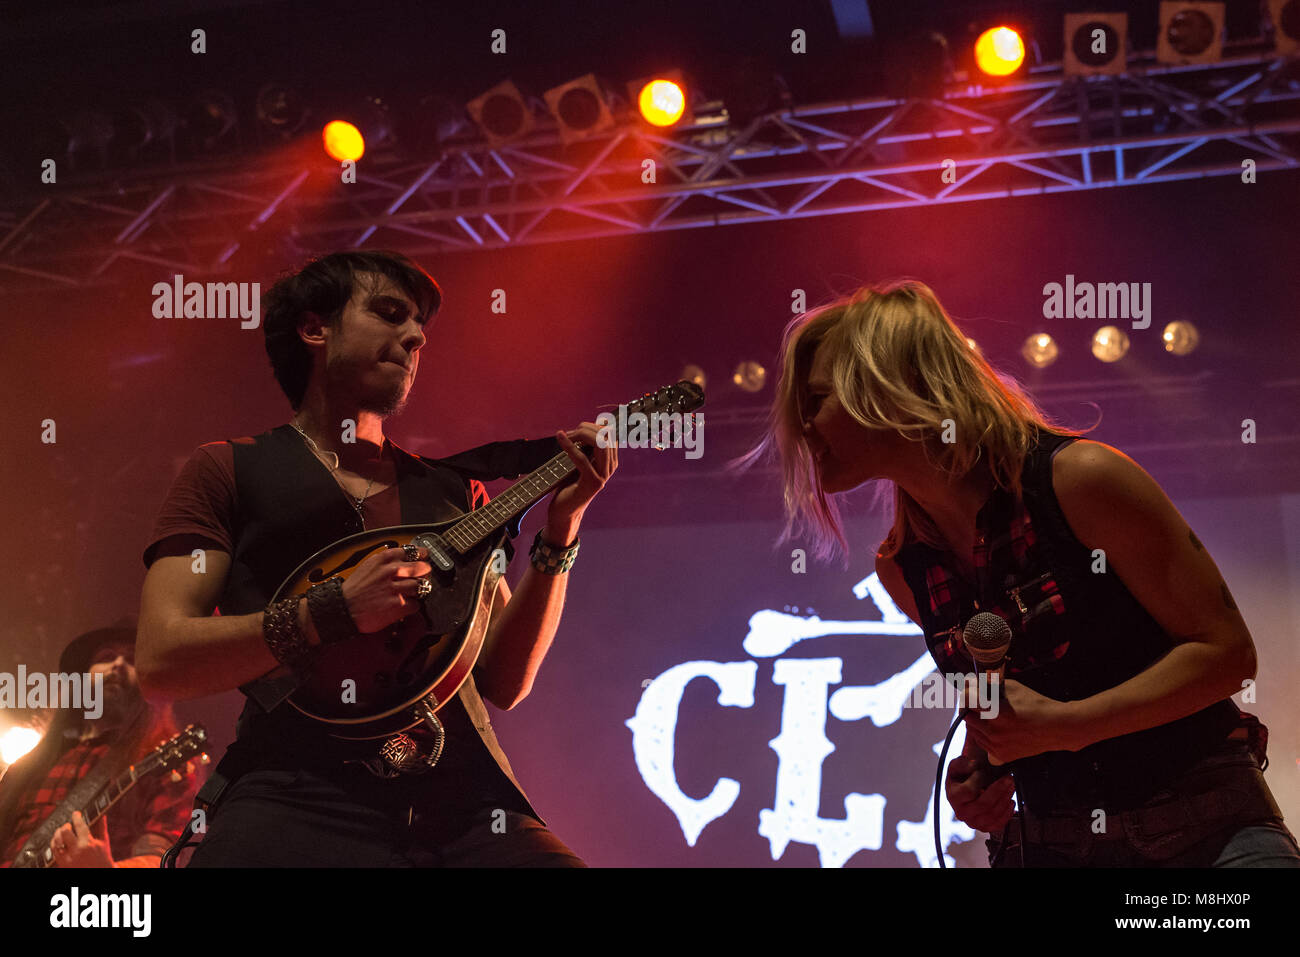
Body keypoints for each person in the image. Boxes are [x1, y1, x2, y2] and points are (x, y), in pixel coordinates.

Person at [741, 279, 1300, 867]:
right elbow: (1001, 706)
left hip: (1206, 838)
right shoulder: (902, 566)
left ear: (891, 389)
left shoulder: (1080, 480)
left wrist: (1068, 725)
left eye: (817, 401)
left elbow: (1226, 653)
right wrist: (982, 770)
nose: (801, 427)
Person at [136, 249, 615, 867]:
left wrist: (562, 530)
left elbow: (502, 681)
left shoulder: (456, 492)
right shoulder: (227, 469)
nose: (415, 337)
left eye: (419, 327)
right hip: (294, 792)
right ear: (315, 329)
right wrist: (330, 611)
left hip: (465, 801)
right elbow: (161, 662)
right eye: (390, 314)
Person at [0, 625, 200, 868]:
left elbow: (163, 855)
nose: (117, 664)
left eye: (132, 660)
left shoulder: (163, 761)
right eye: (106, 657)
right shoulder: (29, 765)